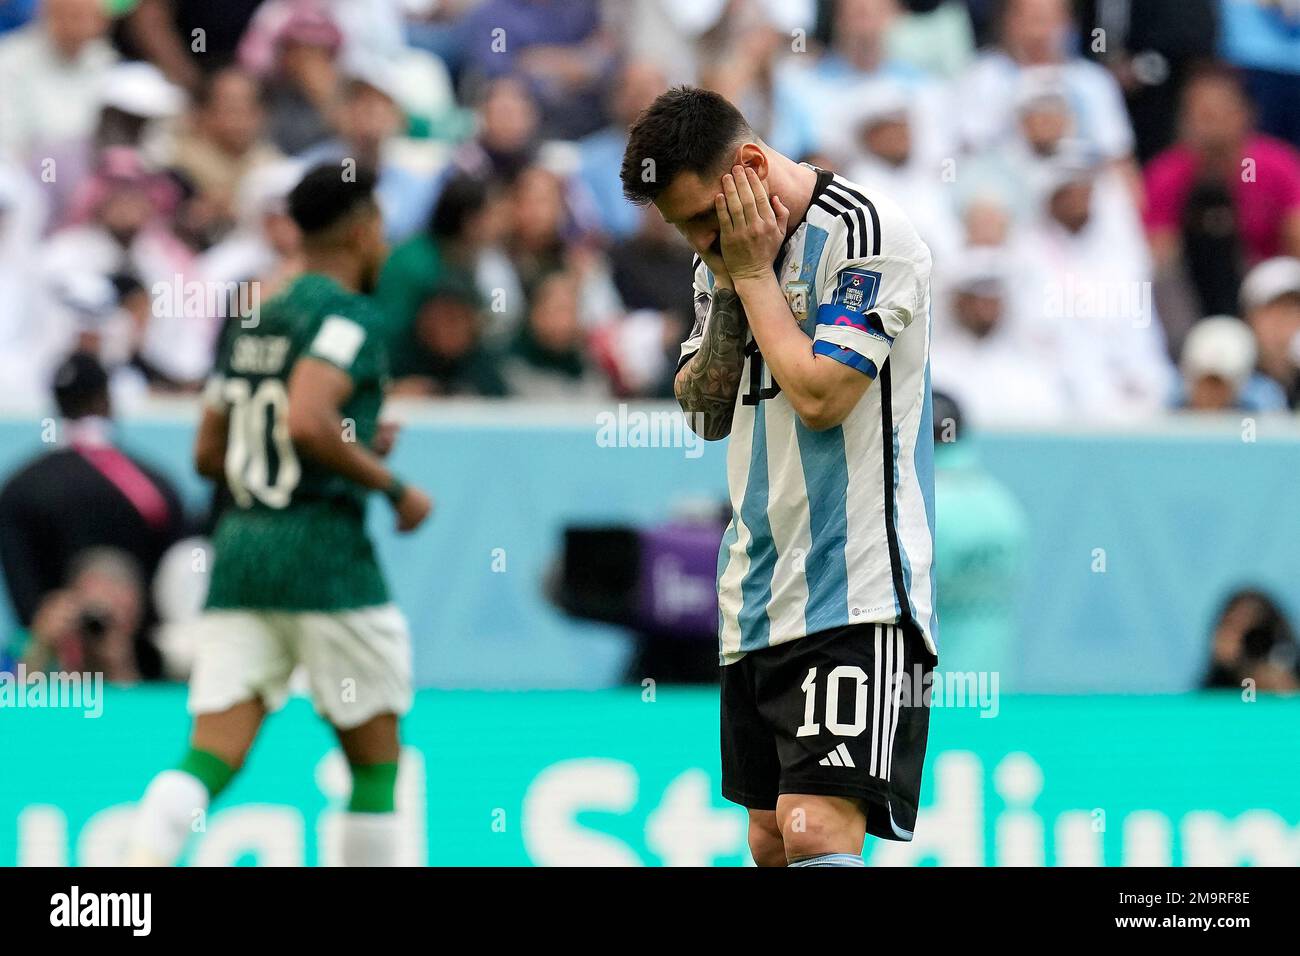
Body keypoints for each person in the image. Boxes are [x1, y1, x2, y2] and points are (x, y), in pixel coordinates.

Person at [620, 86, 936, 867]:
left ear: (751, 165)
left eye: (701, 219)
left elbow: (824, 396)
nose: (699, 241)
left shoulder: (869, 236)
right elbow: (701, 410)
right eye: (682, 229)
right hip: (755, 593)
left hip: (855, 587)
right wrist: (732, 279)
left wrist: (753, 274)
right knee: (769, 839)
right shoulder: (721, 258)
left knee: (816, 827)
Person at [126, 164, 433, 867]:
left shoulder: (257, 313)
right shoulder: (350, 314)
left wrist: (344, 436)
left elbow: (209, 452)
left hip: (241, 556)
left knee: (210, 754)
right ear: (363, 229)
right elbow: (304, 418)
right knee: (375, 764)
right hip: (326, 558)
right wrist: (392, 486)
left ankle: (126, 884)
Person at [0, 351, 186, 678]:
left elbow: (23, 588)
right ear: (106, 401)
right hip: (76, 661)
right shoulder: (153, 487)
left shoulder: (19, 488)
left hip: (105, 664)